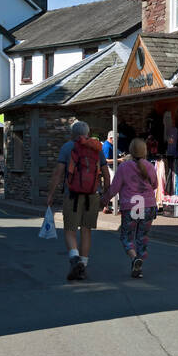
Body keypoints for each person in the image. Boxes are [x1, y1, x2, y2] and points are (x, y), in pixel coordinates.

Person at [47, 120, 112, 281]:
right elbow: (106, 173)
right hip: (92, 195)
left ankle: (74, 257)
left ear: (72, 134)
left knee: (69, 230)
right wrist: (106, 195)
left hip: (72, 195)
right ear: (88, 133)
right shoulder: (97, 148)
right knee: (86, 231)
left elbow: (58, 173)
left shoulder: (67, 147)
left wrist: (50, 194)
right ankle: (82, 265)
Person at [104, 138, 157, 278]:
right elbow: (155, 185)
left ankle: (134, 259)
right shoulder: (150, 166)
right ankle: (139, 264)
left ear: (131, 151)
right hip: (148, 206)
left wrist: (103, 201)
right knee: (142, 237)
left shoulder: (124, 167)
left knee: (126, 237)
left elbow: (114, 188)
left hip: (131, 206)